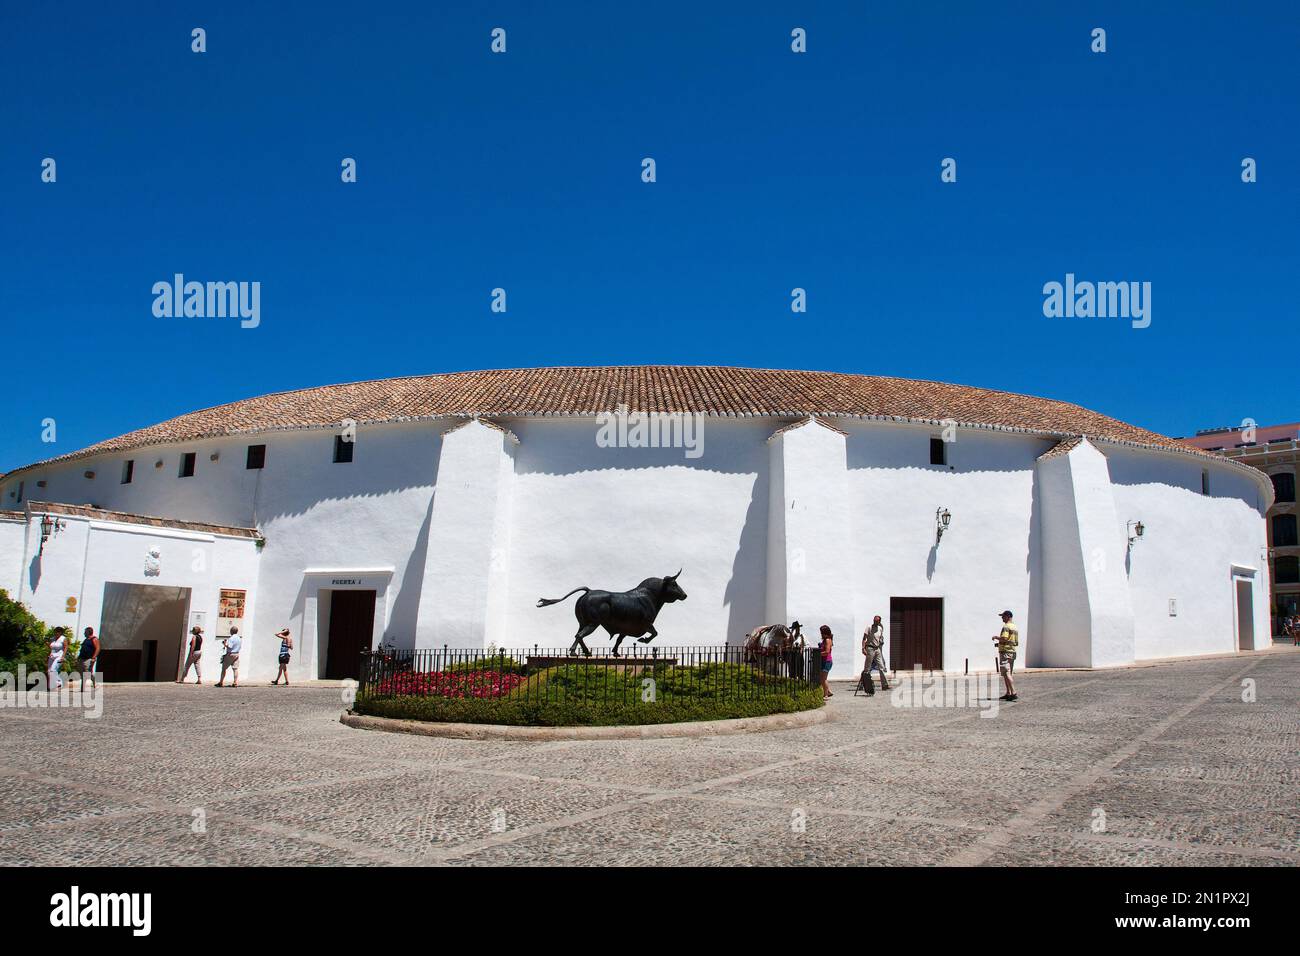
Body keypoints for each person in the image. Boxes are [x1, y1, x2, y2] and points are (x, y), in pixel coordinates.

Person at [860, 615, 891, 695]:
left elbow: (880, 638)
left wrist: (881, 642)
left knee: (881, 667)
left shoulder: (880, 628)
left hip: (877, 649)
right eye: (874, 620)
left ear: (879, 622)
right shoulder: (869, 627)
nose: (875, 622)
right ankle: (864, 685)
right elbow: (864, 639)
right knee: (867, 668)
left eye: (877, 621)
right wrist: (863, 648)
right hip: (870, 648)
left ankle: (885, 685)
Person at [992, 609, 1019, 702]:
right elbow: (1010, 640)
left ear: (1008, 616)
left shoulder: (1006, 627)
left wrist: (996, 637)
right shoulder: (1014, 627)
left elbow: (1004, 638)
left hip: (1005, 652)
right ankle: (1008, 693)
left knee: (1006, 673)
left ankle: (1014, 692)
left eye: (1003, 616)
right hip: (1012, 652)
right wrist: (999, 644)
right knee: (1008, 673)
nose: (1002, 618)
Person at [77, 626, 100, 690]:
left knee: (88, 672)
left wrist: (94, 657)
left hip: (89, 658)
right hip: (82, 658)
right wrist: (78, 657)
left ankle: (95, 683)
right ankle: (82, 688)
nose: (84, 633)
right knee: (82, 673)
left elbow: (97, 648)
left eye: (85, 632)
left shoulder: (94, 639)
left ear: (88, 632)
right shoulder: (86, 639)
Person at [47, 626, 67, 691]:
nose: (56, 633)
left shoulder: (63, 638)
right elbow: (51, 647)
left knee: (53, 670)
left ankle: (59, 683)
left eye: (57, 632)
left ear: (61, 632)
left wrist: (63, 657)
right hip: (52, 656)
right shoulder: (52, 639)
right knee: (49, 671)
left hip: (59, 656)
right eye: (55, 632)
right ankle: (52, 686)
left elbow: (66, 647)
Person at [818, 625, 834, 699]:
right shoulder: (825, 640)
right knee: (822, 678)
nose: (821, 634)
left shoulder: (827, 640)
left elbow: (827, 652)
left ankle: (826, 695)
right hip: (824, 661)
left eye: (822, 632)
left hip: (827, 661)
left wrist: (818, 654)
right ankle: (828, 691)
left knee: (823, 679)